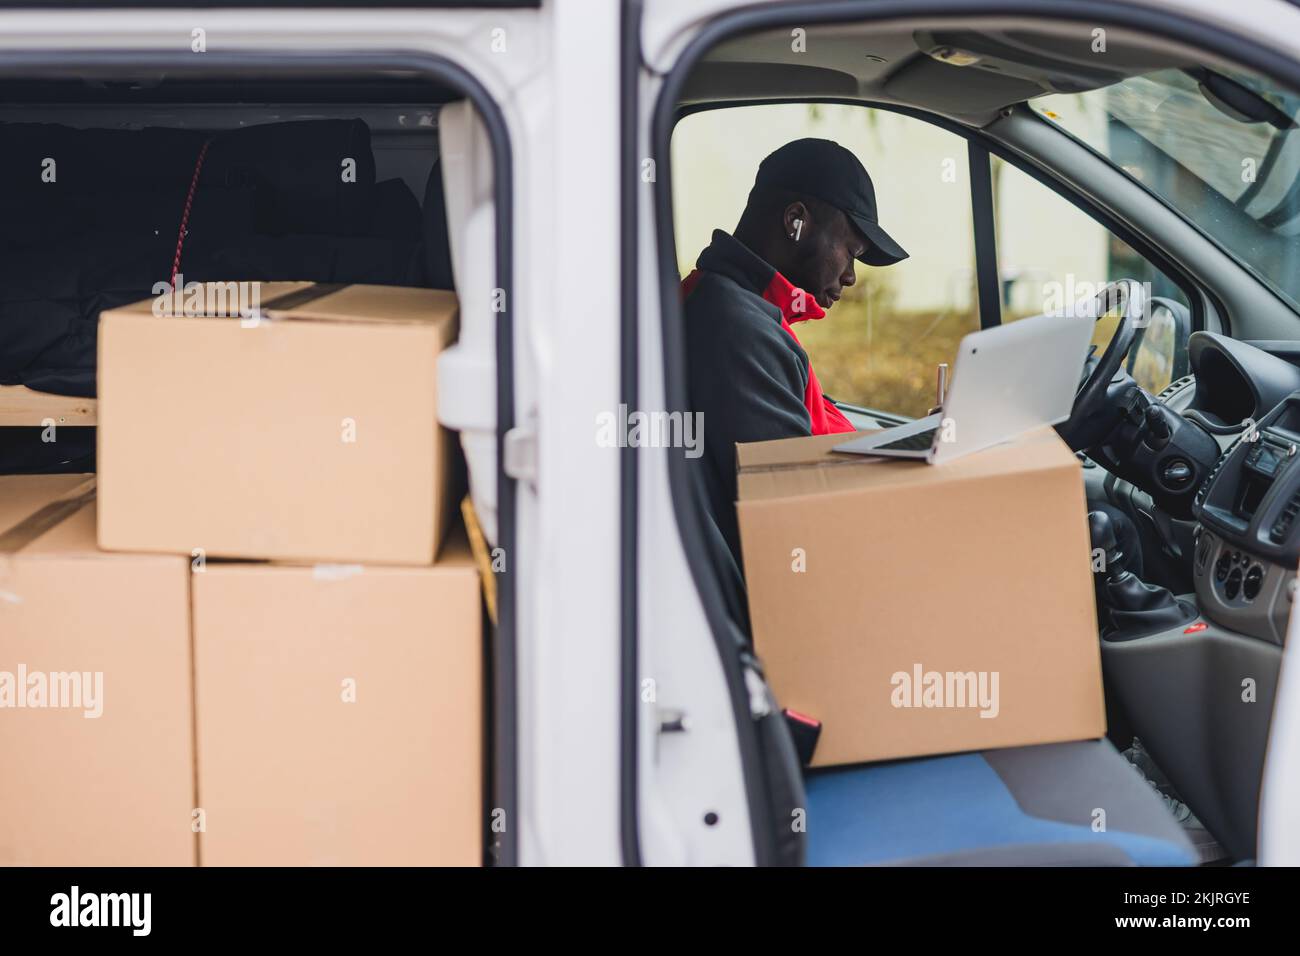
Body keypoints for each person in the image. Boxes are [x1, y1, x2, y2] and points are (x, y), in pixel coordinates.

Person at [681, 138, 909, 566]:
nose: (851, 277)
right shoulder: (735, 328)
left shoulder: (745, 310)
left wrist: (909, 449)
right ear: (796, 222)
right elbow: (796, 511)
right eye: (851, 252)